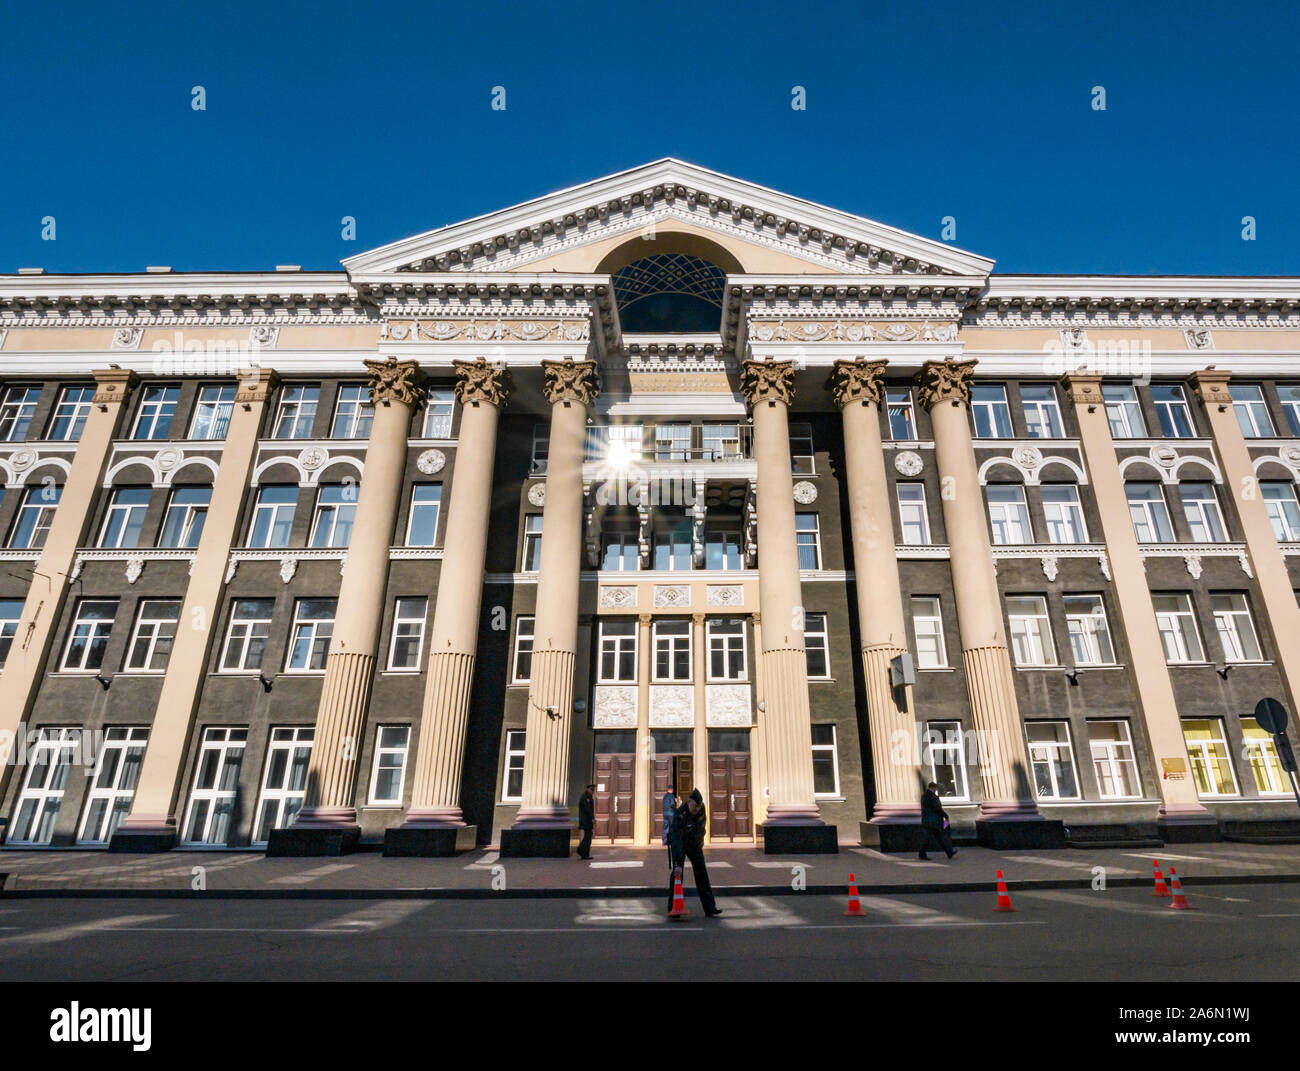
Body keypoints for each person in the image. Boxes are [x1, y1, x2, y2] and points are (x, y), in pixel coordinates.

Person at [668, 788, 721, 917]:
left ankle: (710, 908)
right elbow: (676, 840)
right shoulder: (680, 814)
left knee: (701, 872)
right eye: (695, 806)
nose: (697, 809)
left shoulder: (701, 809)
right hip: (681, 843)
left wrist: (699, 843)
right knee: (677, 873)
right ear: (690, 802)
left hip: (694, 844)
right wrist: (677, 862)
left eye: (699, 806)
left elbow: (701, 828)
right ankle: (673, 908)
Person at [919, 781, 956, 860]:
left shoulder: (924, 796)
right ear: (933, 788)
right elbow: (937, 808)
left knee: (937, 837)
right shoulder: (933, 796)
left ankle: (949, 852)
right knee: (933, 838)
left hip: (927, 820)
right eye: (936, 788)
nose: (936, 790)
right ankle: (922, 854)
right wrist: (945, 815)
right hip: (934, 821)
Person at [577, 783, 595, 860]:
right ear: (588, 789)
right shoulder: (585, 797)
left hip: (586, 820)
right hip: (586, 821)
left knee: (588, 837)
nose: (593, 791)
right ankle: (580, 850)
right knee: (587, 837)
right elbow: (588, 810)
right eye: (592, 789)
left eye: (594, 790)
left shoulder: (588, 796)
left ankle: (585, 854)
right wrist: (592, 818)